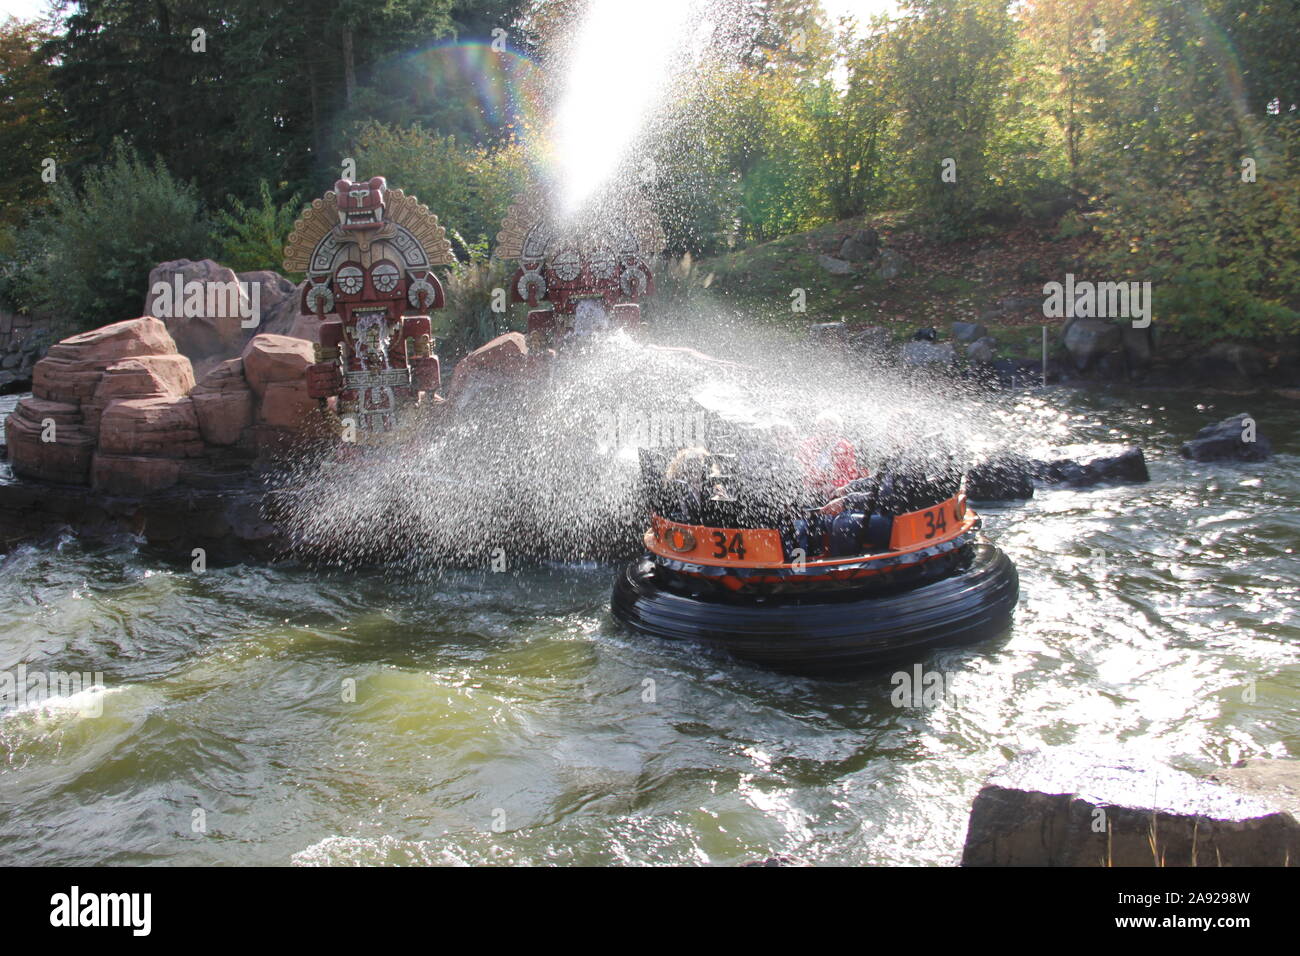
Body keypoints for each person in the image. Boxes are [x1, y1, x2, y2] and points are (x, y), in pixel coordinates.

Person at [798, 410, 861, 503]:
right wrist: (812, 484)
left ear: (838, 430)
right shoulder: (806, 446)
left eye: (831, 428)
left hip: (834, 494)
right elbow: (801, 471)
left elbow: (851, 475)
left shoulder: (846, 447)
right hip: (809, 492)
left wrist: (834, 485)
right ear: (816, 429)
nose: (826, 432)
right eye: (822, 428)